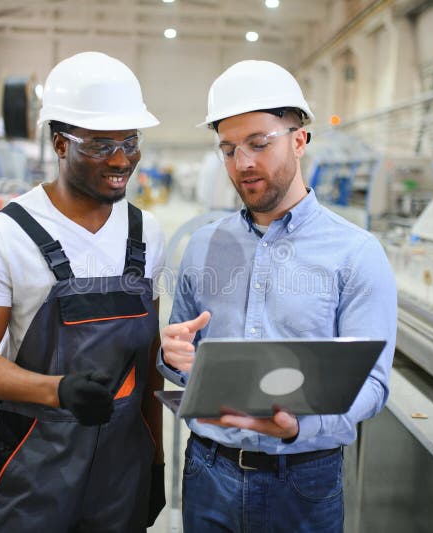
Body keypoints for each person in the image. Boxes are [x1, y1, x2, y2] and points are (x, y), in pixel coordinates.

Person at [158, 60, 397, 532]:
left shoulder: (356, 254)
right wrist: (171, 357)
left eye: (259, 143)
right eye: (228, 149)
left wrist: (301, 426)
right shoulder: (204, 245)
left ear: (299, 140)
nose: (242, 163)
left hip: (303, 481)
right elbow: (182, 358)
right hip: (209, 471)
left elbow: (372, 383)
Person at [0, 51, 166, 532]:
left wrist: (156, 459)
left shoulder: (146, 234)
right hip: (34, 469)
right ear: (60, 143)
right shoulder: (5, 236)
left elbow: (148, 359)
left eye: (130, 142)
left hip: (122, 472)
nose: (120, 160)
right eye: (100, 145)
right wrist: (55, 391)